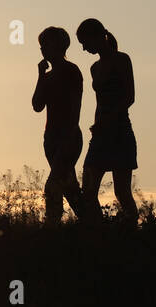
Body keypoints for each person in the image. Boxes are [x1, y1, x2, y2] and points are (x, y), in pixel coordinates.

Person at [77, 18, 138, 223]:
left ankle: (132, 234)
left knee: (122, 192)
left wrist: (109, 120)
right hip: (100, 135)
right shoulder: (94, 68)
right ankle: (98, 233)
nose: (84, 48)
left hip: (121, 132)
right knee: (88, 190)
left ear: (97, 36)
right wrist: (98, 124)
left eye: (85, 42)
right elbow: (99, 102)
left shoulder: (122, 59)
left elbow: (129, 97)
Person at [31, 27, 83, 224]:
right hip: (51, 139)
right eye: (41, 45)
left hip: (68, 136)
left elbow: (75, 105)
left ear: (59, 45)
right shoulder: (48, 76)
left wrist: (70, 136)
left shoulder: (71, 71)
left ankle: (52, 226)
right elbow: (37, 105)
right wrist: (40, 75)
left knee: (53, 185)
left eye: (46, 44)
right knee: (69, 186)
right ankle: (94, 226)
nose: (43, 49)